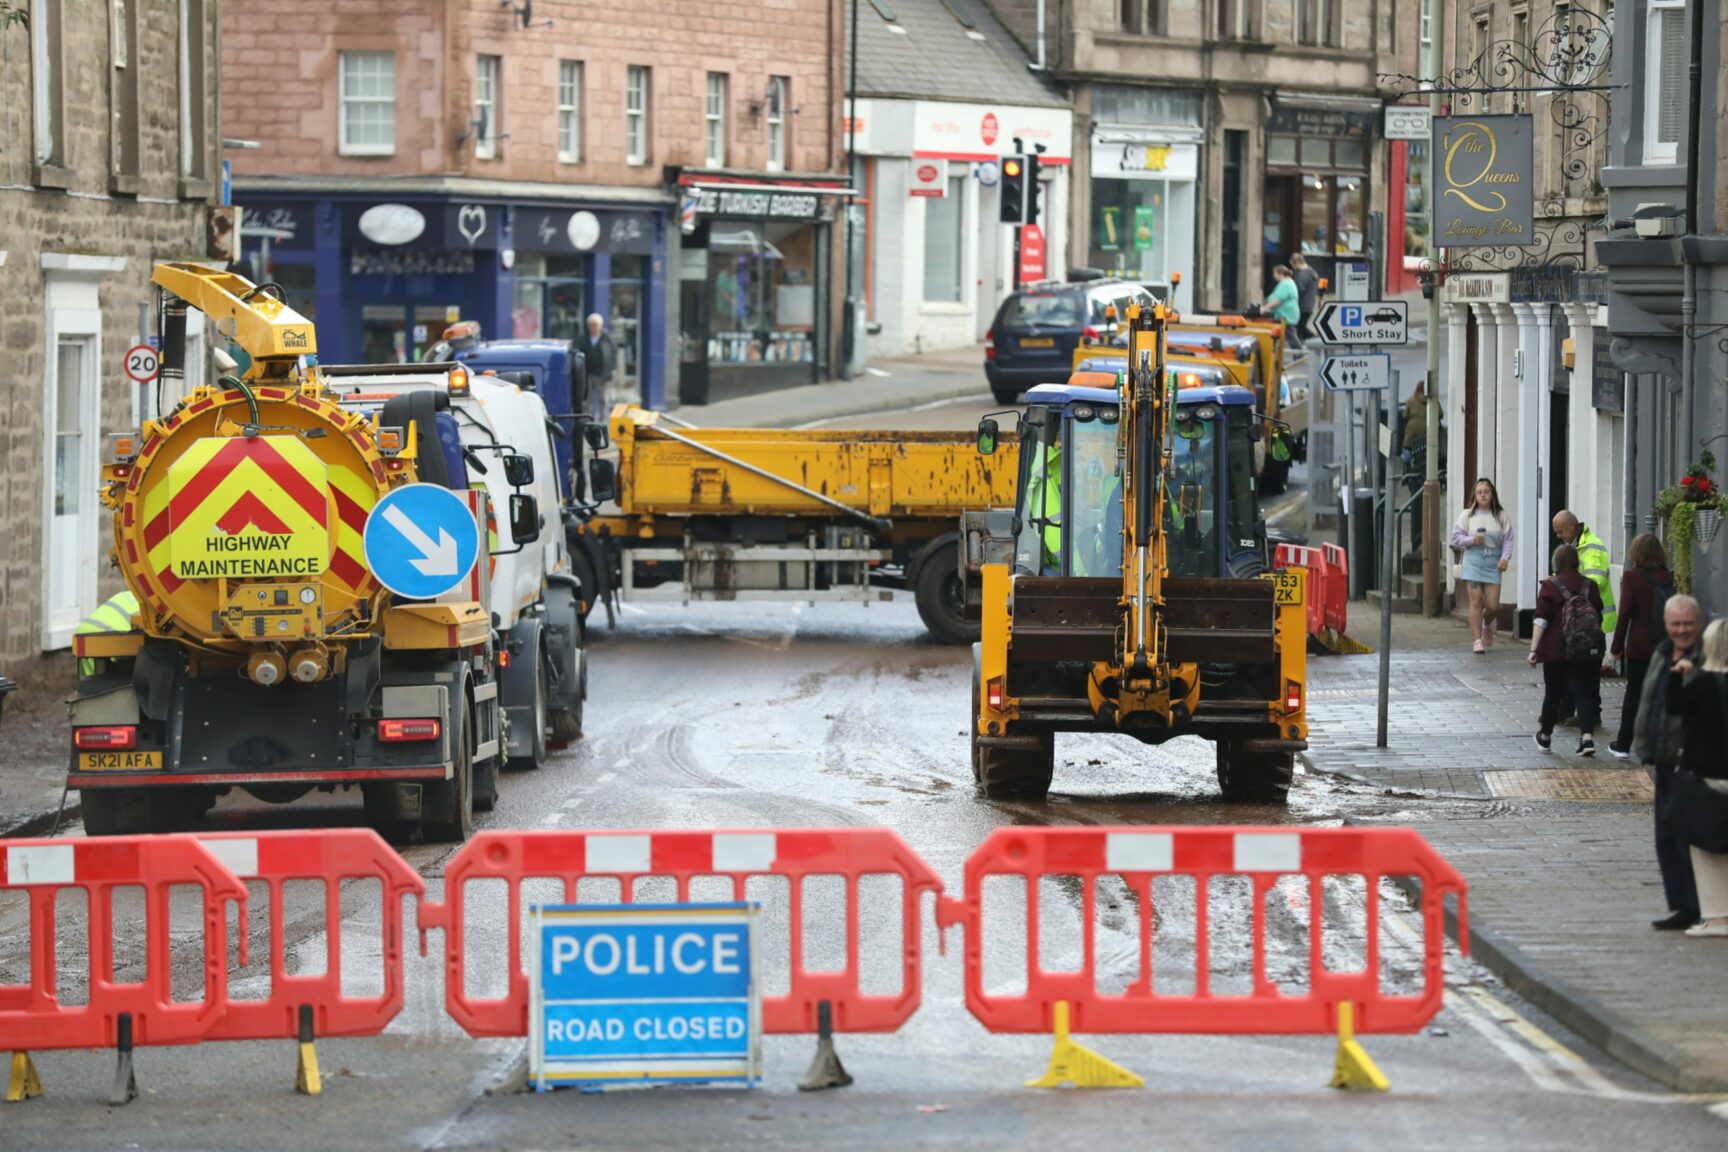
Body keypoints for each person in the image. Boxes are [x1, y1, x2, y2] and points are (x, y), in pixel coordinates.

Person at [1633, 594, 1706, 930]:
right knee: (1664, 835)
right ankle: (1680, 906)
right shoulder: (1662, 654)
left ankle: (1699, 906)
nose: (1682, 630)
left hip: (1690, 759)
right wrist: (1643, 745)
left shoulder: (1706, 658)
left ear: (1699, 624)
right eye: (1676, 624)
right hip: (1661, 758)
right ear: (1666, 625)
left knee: (1688, 835)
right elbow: (1649, 701)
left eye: (1688, 623)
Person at [1664, 618, 1728, 937]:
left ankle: (1717, 919)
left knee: (1707, 850)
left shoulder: (1703, 684)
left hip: (1710, 776)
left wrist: (1678, 677)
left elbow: (1673, 707)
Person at [1528, 543, 1604, 756]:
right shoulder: (1591, 586)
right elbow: (1598, 616)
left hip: (1556, 650)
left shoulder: (1550, 587)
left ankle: (1545, 737)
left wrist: (1533, 650)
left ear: (1556, 563)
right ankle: (1587, 739)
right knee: (1583, 692)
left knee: (1553, 694)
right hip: (1584, 650)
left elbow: (1541, 619)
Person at [1608, 533, 1674, 758]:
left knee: (1634, 694)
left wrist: (1616, 647)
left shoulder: (1632, 577)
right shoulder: (1667, 577)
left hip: (1639, 645)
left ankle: (1624, 744)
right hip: (1664, 645)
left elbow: (1625, 613)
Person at [1451, 479, 1513, 653]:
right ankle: (1477, 640)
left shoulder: (1500, 516)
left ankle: (1486, 624)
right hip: (1474, 560)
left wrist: (1504, 558)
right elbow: (1455, 537)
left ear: (1492, 495)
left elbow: (1508, 540)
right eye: (1479, 492)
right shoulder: (1467, 515)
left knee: (1493, 605)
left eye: (1486, 491)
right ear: (1475, 496)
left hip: (1493, 560)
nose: (1483, 495)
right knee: (1476, 601)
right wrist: (1471, 540)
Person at [1551, 509, 1617, 640]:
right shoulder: (1570, 547)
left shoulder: (1591, 546)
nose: (1558, 536)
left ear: (1572, 526)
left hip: (1594, 618)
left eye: (1560, 531)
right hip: (1580, 616)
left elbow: (1596, 582)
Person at [574, 313, 617, 419]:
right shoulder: (583, 339)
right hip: (587, 373)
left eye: (595, 325)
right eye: (591, 325)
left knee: (603, 398)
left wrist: (611, 369)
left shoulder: (607, 339)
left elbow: (613, 354)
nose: (593, 327)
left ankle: (603, 419)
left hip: (602, 374)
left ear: (600, 326)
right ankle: (588, 419)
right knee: (587, 399)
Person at [1290, 254, 1321, 343]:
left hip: (1301, 305)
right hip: (1310, 304)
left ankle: (1316, 340)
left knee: (1299, 328)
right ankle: (1306, 344)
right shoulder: (1312, 272)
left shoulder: (1301, 276)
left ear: (1296, 263)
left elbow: (1298, 291)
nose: (1293, 268)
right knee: (1300, 328)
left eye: (1293, 265)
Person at [1263, 266, 1301, 330]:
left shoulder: (1285, 284)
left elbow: (1279, 300)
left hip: (1286, 317)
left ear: (1280, 274)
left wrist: (1265, 308)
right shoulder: (1286, 282)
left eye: (1274, 273)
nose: (1273, 275)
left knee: (1289, 336)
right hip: (1285, 316)